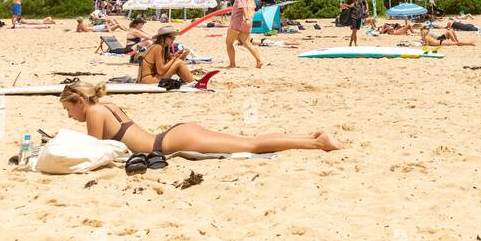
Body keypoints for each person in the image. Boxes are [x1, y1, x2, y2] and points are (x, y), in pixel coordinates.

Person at [59, 81, 341, 172]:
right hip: (175, 134)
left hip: (171, 143)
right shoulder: (106, 104)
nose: (69, 115)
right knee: (249, 140)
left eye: (68, 109)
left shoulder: (95, 112)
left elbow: (93, 151)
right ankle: (310, 137)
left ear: (79, 101)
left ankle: (319, 143)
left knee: (251, 145)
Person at [139, 25, 211, 85]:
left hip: (153, 77)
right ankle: (194, 83)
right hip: (148, 80)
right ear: (164, 37)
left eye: (174, 38)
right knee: (178, 62)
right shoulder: (157, 47)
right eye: (171, 37)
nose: (173, 40)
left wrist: (182, 56)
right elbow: (161, 70)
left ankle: (192, 81)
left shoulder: (163, 48)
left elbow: (174, 66)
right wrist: (174, 59)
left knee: (178, 62)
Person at [225, 0, 263, 70]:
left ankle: (232, 64)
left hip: (238, 21)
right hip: (248, 22)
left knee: (229, 43)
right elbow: (253, 8)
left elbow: (243, 7)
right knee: (247, 43)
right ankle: (259, 61)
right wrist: (249, 19)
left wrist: (246, 18)